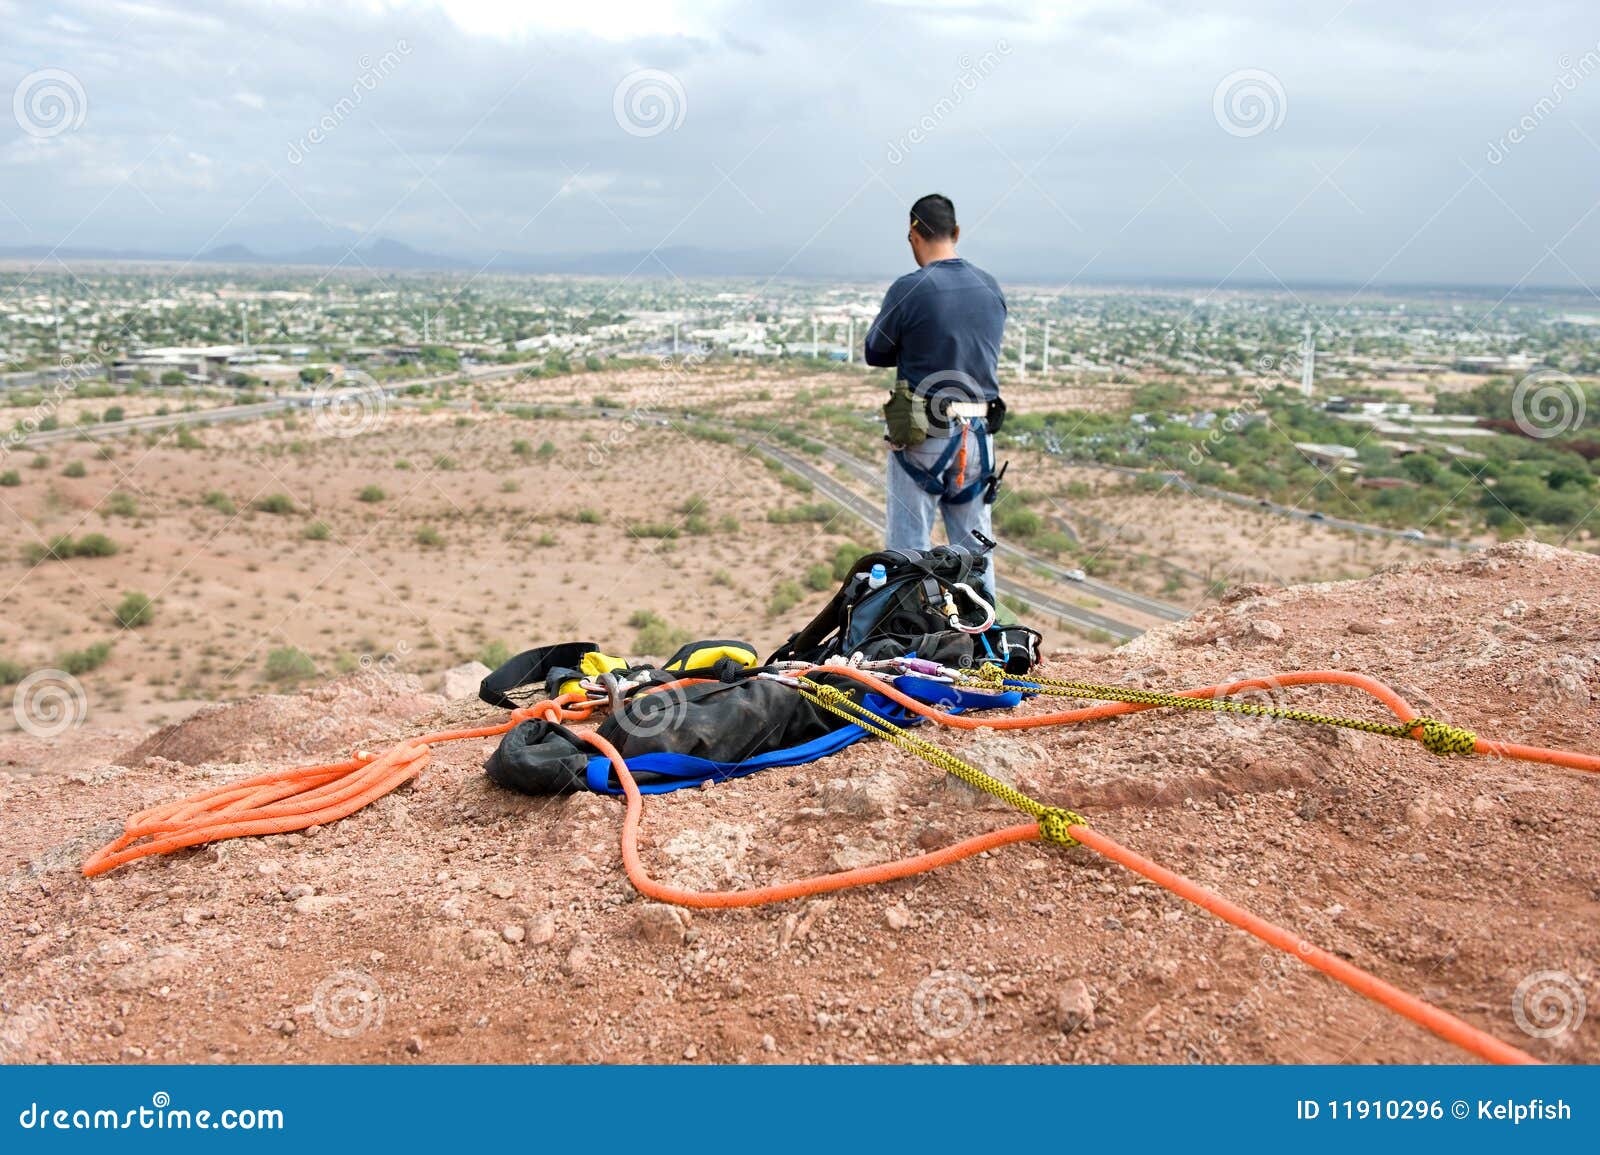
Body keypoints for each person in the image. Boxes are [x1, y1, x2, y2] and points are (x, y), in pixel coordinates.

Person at [864, 193, 1007, 582]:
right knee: (976, 553)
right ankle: (985, 635)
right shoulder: (989, 286)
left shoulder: (909, 288)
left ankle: (911, 638)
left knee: (908, 553)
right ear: (956, 232)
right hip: (978, 438)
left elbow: (875, 352)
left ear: (913, 235)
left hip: (922, 435)